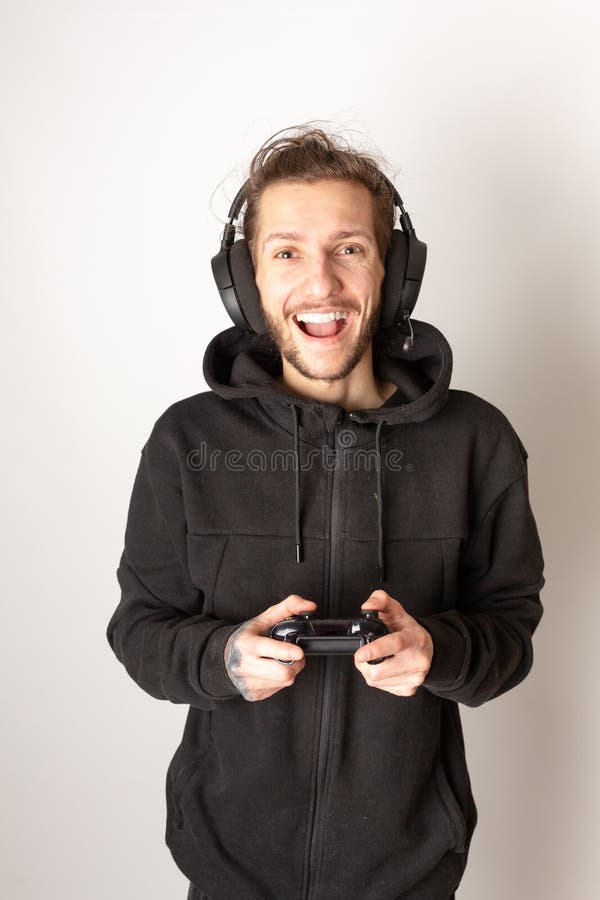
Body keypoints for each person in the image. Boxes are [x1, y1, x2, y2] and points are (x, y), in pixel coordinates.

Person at [106, 125, 545, 900]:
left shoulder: (476, 441)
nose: (322, 283)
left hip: (410, 872)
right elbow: (140, 631)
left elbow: (509, 632)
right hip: (229, 868)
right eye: (286, 252)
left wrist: (438, 652)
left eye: (349, 248)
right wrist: (223, 660)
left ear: (394, 272)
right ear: (244, 280)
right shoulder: (188, 442)